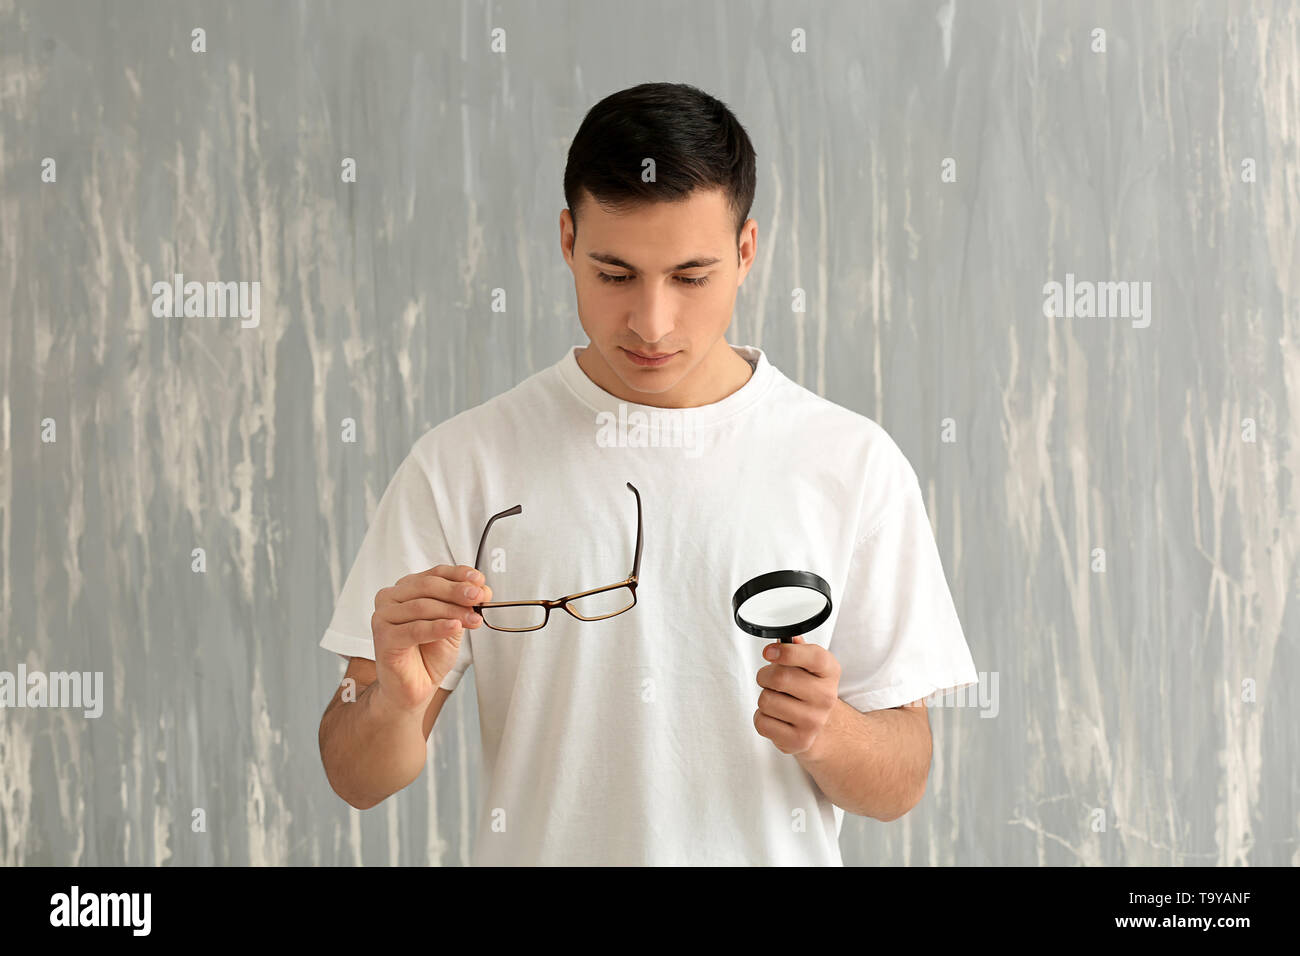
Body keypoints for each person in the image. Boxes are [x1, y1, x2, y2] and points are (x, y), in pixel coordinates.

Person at [317, 81, 978, 865]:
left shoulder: (850, 463)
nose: (652, 323)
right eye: (615, 273)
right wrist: (394, 698)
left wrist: (830, 731)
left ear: (746, 252)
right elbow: (356, 778)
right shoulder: (463, 463)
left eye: (691, 277)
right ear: (567, 241)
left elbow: (903, 782)